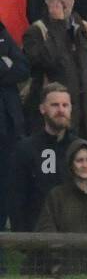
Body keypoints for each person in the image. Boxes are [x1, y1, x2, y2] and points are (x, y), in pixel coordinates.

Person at [23, 0, 87, 140]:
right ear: (46, 0)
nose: (63, 1)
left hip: (86, 119)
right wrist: (57, 26)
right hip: (53, 120)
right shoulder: (37, 31)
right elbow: (48, 62)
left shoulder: (85, 29)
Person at [9, 83, 79, 231]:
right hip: (38, 236)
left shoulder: (80, 149)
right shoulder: (26, 149)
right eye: (55, 105)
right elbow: (16, 198)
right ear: (42, 109)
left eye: (65, 105)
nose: (61, 110)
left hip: (75, 235)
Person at [34, 138, 87, 231]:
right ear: (71, 164)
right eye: (79, 160)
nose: (85, 165)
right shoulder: (56, 197)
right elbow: (46, 232)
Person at [0, 19, 30, 230]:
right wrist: (4, 64)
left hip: (9, 126)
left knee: (7, 187)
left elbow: (23, 68)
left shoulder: (2, 29)